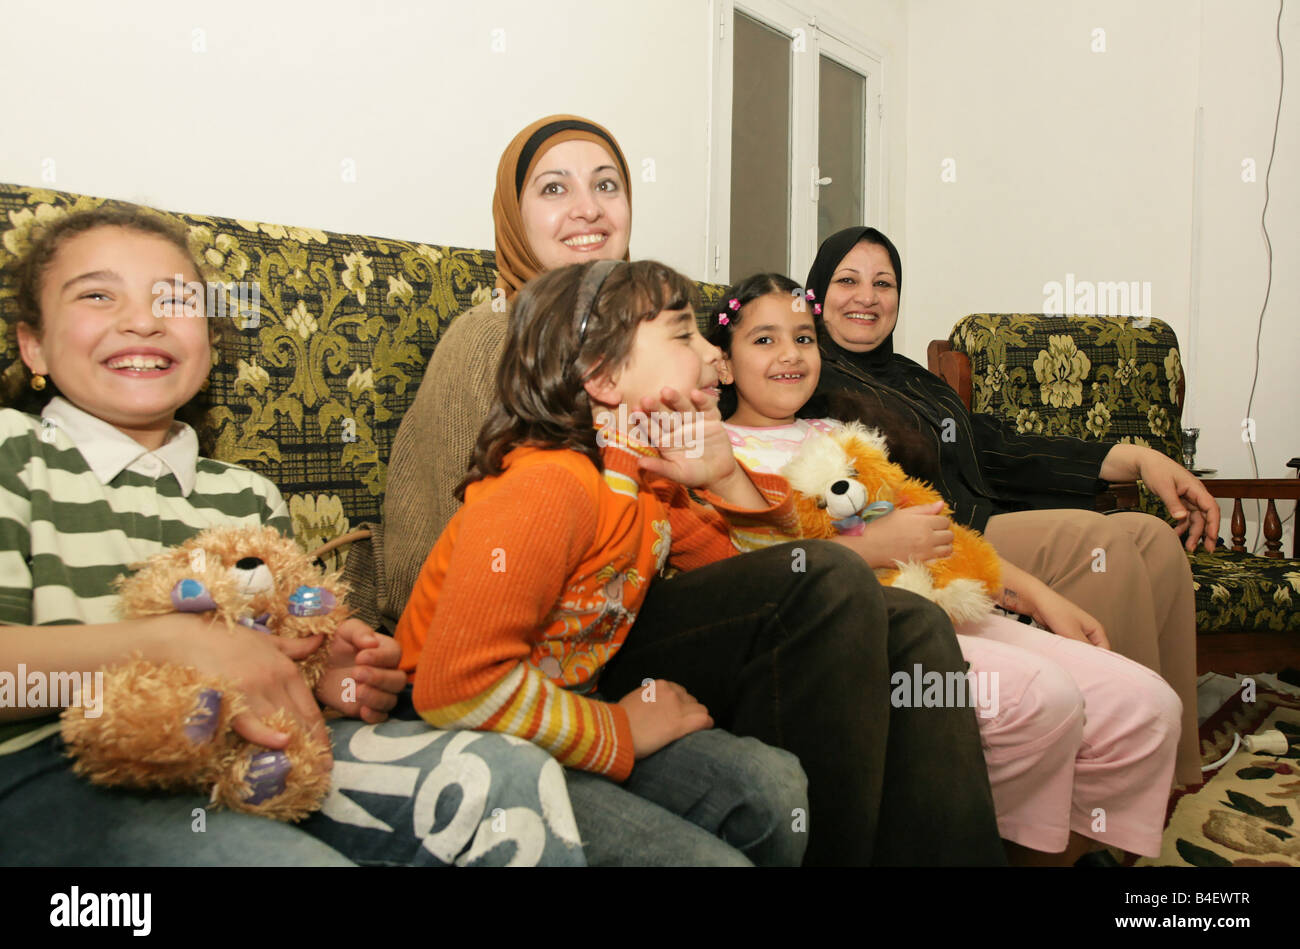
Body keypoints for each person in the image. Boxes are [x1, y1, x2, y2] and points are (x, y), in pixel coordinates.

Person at [0, 208, 587, 866]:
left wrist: (325, 675)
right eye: (97, 296)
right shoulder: (13, 454)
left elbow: (280, 654)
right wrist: (179, 645)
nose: (143, 320)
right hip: (51, 771)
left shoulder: (246, 495)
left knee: (503, 773)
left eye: (175, 299)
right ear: (34, 345)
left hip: (249, 758)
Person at [396, 257, 1008, 866]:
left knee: (909, 623)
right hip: (465, 729)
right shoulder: (548, 485)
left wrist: (726, 479)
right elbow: (454, 688)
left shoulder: (649, 478)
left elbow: (776, 587)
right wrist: (618, 731)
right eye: (684, 335)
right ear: (604, 376)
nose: (714, 354)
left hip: (567, 703)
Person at [709, 273, 1182, 862]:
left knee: (1146, 705)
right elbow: (753, 574)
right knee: (1044, 699)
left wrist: (1038, 597)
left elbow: (941, 532)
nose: (790, 354)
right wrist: (873, 547)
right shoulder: (716, 454)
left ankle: (1068, 852)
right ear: (723, 364)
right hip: (870, 632)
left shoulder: (843, 439)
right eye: (764, 340)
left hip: (945, 600)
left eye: (803, 338)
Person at [800, 226, 1214, 786]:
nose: (867, 297)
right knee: (1100, 542)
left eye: (883, 283)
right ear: (816, 294)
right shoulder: (809, 378)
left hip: (989, 521)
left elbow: (999, 449)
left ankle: (1167, 775)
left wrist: (1137, 458)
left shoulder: (913, 379)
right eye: (847, 281)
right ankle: (1095, 782)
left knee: (1153, 538)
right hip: (935, 542)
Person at [380, 114, 633, 632]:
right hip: (501, 624)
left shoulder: (652, 334)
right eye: (554, 188)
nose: (588, 208)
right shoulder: (491, 338)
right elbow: (469, 547)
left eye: (606, 185)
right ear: (514, 217)